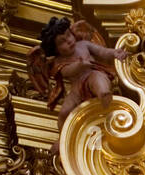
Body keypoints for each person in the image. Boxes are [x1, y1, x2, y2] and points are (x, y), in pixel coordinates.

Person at [29, 18, 128, 155]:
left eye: (69, 35)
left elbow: (102, 52)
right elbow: (67, 71)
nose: (69, 41)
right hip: (77, 88)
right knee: (64, 112)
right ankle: (63, 137)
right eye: (62, 42)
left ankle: (104, 94)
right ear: (55, 49)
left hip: (92, 73)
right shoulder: (58, 61)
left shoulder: (84, 45)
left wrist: (114, 53)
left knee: (98, 79)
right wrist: (79, 65)